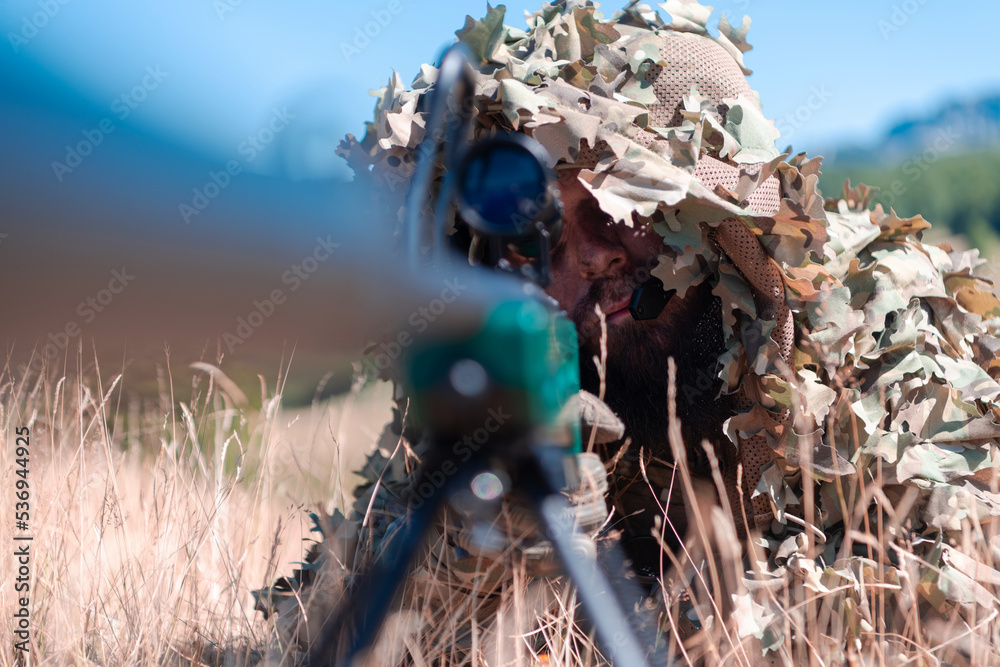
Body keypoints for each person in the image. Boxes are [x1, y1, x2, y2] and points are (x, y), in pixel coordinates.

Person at [258, 0, 1000, 661]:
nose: (591, 255)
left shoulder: (884, 346)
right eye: (537, 238)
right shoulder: (528, 379)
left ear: (712, 222)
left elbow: (942, 617)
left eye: (621, 207)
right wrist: (491, 534)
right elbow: (310, 630)